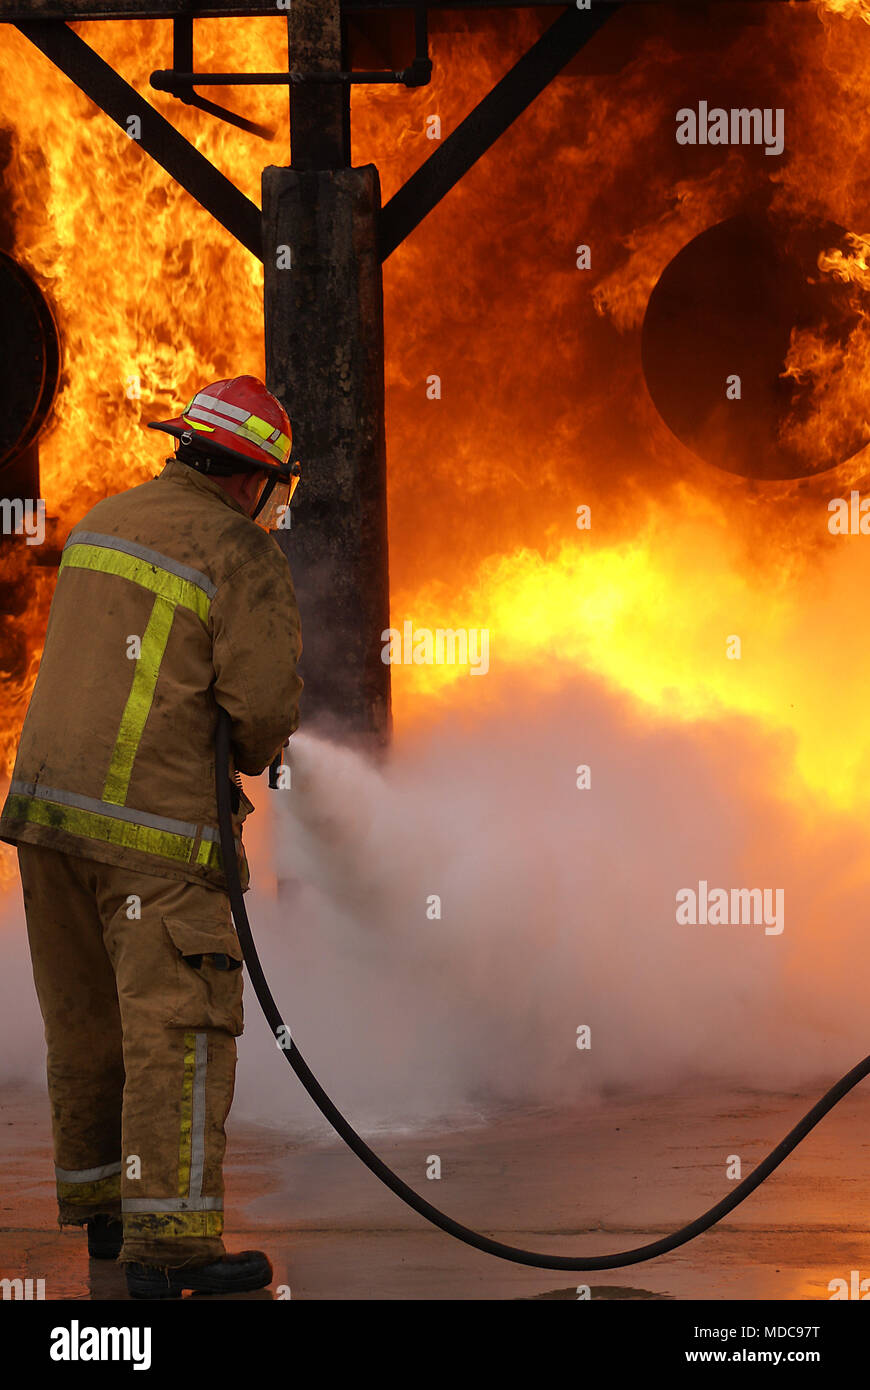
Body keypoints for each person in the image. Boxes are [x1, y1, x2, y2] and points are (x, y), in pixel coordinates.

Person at [0, 375, 303, 1299]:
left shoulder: (102, 519)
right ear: (253, 478)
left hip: (45, 817)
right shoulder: (237, 550)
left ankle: (103, 1216)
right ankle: (171, 1247)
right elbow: (260, 712)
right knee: (181, 1027)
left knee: (88, 1025)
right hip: (154, 837)